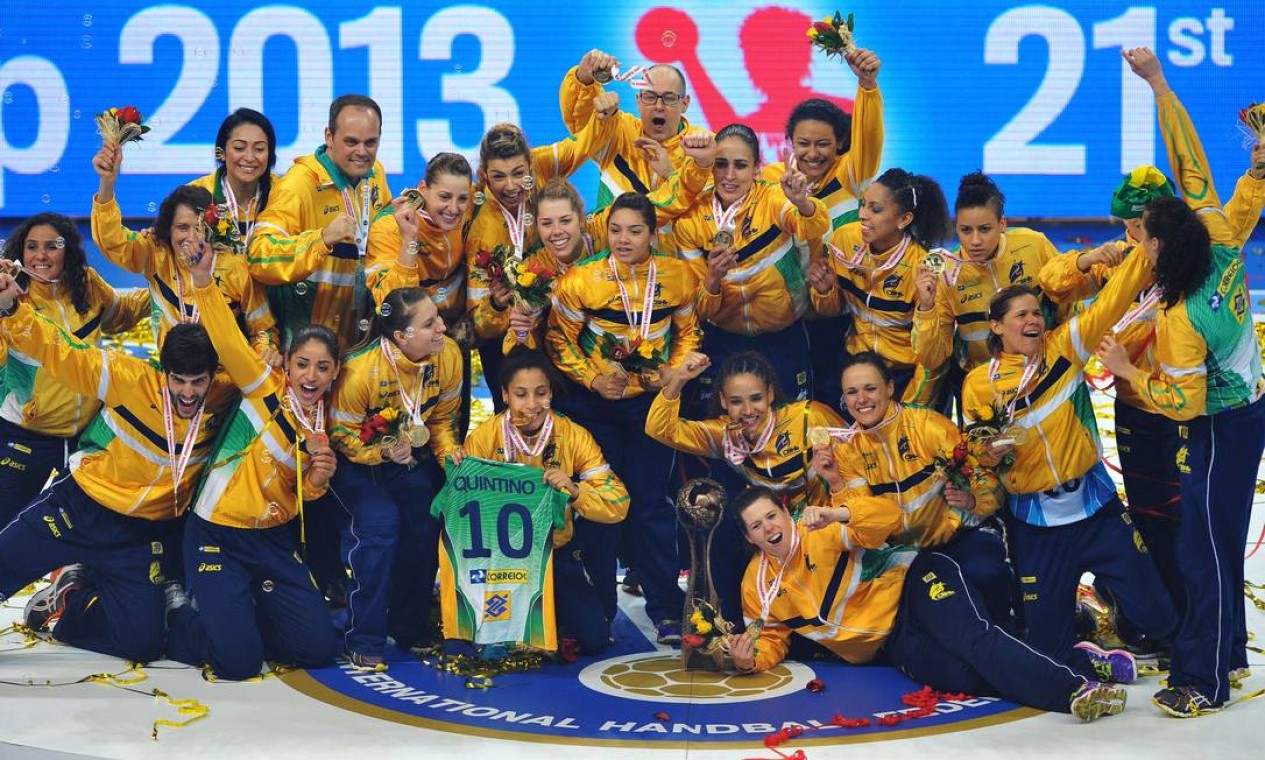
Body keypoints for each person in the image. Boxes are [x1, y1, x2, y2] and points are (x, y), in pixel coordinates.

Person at [1093, 47, 1265, 717]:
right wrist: (1159, 83)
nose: (1139, 245)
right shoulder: (1220, 235)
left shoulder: (1178, 321)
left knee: (1201, 547)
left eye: (1144, 239)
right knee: (1218, 538)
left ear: (1164, 247)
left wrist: (1128, 369)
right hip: (1247, 409)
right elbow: (1191, 162)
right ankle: (1227, 651)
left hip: (1215, 422)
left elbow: (1182, 400)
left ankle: (1202, 680)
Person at [961, 242, 1177, 684]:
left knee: (1159, 622)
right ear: (996, 327)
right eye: (1019, 315)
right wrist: (990, 454)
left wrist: (1144, 249)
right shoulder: (978, 386)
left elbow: (1115, 298)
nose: (1032, 320)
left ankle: (1118, 606)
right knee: (1048, 648)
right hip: (1037, 527)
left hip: (1097, 511)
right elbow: (975, 455)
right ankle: (1084, 637)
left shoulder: (1066, 348)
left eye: (1036, 313)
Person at [728, 487, 1131, 722]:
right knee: (961, 674)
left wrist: (839, 512)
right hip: (890, 643)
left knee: (972, 638)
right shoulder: (754, 583)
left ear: (786, 512)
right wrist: (750, 660)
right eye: (757, 525)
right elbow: (772, 638)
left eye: (771, 516)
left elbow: (886, 516)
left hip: (915, 584)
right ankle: (1077, 659)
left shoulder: (821, 531)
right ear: (749, 538)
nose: (769, 528)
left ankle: (1076, 690)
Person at [0, 273, 234, 663]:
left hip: (141, 537)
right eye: (178, 381)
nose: (188, 393)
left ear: (214, 377)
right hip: (81, 508)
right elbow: (61, 350)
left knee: (139, 645)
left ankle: (71, 596)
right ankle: (73, 567)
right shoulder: (128, 379)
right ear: (164, 373)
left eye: (198, 382)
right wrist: (10, 308)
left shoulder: (225, 395)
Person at [164, 241, 339, 680]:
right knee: (238, 664)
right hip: (217, 535)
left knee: (316, 649)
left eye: (322, 368)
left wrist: (317, 481)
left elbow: (302, 493)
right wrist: (203, 283)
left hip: (272, 542)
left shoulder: (326, 421)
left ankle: (237, 613)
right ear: (286, 362)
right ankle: (172, 614)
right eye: (302, 364)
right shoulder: (263, 386)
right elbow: (225, 336)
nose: (310, 377)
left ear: (335, 372)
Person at [546, 192, 700, 643]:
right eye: (615, 230)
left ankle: (667, 610)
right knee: (597, 507)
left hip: (651, 408)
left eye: (634, 231)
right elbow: (558, 341)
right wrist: (594, 379)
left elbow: (688, 331)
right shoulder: (581, 280)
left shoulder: (679, 276)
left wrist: (674, 374)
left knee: (651, 506)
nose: (623, 239)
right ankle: (599, 613)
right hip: (594, 407)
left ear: (653, 233)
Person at [646, 350, 845, 625]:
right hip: (773, 532)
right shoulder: (724, 434)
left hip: (820, 526)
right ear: (723, 402)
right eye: (737, 402)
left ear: (771, 395)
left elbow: (854, 457)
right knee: (723, 525)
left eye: (756, 399)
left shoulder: (809, 417)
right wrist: (679, 379)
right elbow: (659, 428)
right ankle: (732, 626)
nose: (748, 411)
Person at [814, 351, 1013, 624]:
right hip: (902, 555)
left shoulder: (928, 426)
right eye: (851, 392)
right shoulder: (846, 450)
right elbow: (864, 527)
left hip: (958, 539)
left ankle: (1008, 632)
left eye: (870, 388)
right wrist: (835, 482)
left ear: (890, 388)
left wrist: (974, 501)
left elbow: (985, 476)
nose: (861, 400)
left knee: (985, 573)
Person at [328, 287, 463, 671]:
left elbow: (442, 420)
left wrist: (449, 453)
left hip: (408, 460)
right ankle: (363, 637)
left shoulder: (449, 355)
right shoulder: (359, 371)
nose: (441, 327)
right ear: (401, 337)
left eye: (437, 317)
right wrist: (380, 452)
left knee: (426, 519)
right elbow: (340, 435)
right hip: (356, 467)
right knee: (380, 527)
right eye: (429, 323)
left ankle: (409, 624)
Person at [462, 348, 629, 653]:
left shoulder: (574, 435)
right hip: (503, 564)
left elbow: (618, 501)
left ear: (551, 392)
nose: (532, 404)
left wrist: (577, 491)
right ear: (504, 395)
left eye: (541, 393)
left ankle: (573, 608)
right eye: (521, 394)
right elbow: (464, 512)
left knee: (594, 641)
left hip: (557, 552)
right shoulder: (483, 439)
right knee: (494, 646)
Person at [465, 96, 622, 403]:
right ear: (484, 173)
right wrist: (499, 308)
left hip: (555, 309)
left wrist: (603, 115)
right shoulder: (480, 229)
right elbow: (480, 323)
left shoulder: (542, 165)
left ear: (531, 164)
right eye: (498, 176)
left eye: (518, 172)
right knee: (518, 410)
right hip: (508, 332)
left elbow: (581, 146)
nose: (510, 186)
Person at [503, 130, 717, 355]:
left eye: (565, 221)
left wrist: (700, 166)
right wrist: (521, 330)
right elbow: (514, 346)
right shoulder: (532, 271)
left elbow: (666, 202)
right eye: (546, 223)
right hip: (565, 353)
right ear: (536, 226)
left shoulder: (608, 226)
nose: (557, 232)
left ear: (582, 219)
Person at [0, 213, 150, 519]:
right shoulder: (11, 301)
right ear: (20, 253)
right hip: (25, 436)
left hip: (84, 438)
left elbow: (123, 312)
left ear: (68, 250)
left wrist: (169, 287)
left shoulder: (87, 284)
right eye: (31, 247)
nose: (41, 255)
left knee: (81, 526)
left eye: (52, 246)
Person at [674, 123, 828, 408]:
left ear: (757, 168)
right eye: (721, 164)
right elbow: (700, 309)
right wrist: (713, 279)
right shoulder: (689, 220)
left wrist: (803, 202)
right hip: (723, 341)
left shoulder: (774, 199)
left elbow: (815, 225)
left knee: (790, 429)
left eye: (741, 165)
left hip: (783, 338)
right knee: (724, 435)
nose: (729, 176)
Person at [90, 150, 277, 355]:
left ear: (213, 227)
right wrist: (107, 184)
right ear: (167, 229)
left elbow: (263, 329)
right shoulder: (156, 254)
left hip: (225, 381)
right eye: (182, 227)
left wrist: (266, 350)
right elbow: (113, 242)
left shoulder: (236, 268)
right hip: (171, 379)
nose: (192, 237)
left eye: (200, 227)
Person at [250, 95, 393, 350]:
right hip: (304, 347)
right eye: (351, 142)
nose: (362, 152)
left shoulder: (375, 175)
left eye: (371, 142)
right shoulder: (299, 185)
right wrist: (322, 239)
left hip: (356, 342)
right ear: (329, 136)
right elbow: (259, 256)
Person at [808, 168, 950, 409]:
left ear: (903, 220)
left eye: (875, 209)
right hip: (854, 364)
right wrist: (824, 291)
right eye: (863, 205)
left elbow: (933, 358)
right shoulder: (844, 240)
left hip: (902, 375)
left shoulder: (923, 268)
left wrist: (927, 307)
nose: (863, 215)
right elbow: (831, 310)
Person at [912, 172, 1062, 387]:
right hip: (983, 385)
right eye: (965, 230)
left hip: (1044, 373)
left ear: (1002, 224)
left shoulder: (1033, 245)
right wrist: (926, 308)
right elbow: (932, 358)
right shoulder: (945, 273)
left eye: (984, 229)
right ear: (956, 227)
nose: (975, 241)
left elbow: (1068, 303)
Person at [558, 52, 695, 252]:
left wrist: (671, 175)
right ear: (638, 100)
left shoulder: (702, 149)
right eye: (649, 96)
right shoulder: (617, 131)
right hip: (611, 269)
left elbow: (707, 215)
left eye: (668, 98)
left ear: (685, 103)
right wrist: (584, 80)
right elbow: (582, 122)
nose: (659, 106)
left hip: (673, 274)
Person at [188, 108, 279, 258]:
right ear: (222, 152)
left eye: (259, 149)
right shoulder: (194, 196)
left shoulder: (284, 193)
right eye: (239, 148)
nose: (249, 157)